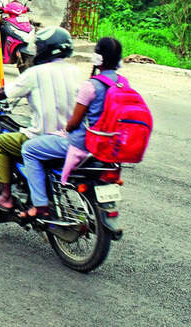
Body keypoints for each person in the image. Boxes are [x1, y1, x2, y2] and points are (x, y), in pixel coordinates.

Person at [0, 27, 82, 214]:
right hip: (71, 136)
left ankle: (5, 197)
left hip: (44, 136)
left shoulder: (35, 73)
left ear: (44, 48)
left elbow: (5, 92)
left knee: (0, 142)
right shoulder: (75, 71)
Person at [19, 37, 124, 218]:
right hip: (111, 145)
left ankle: (40, 205)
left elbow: (74, 123)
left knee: (29, 149)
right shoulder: (122, 84)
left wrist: (64, 129)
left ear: (97, 58)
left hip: (85, 145)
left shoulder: (91, 86)